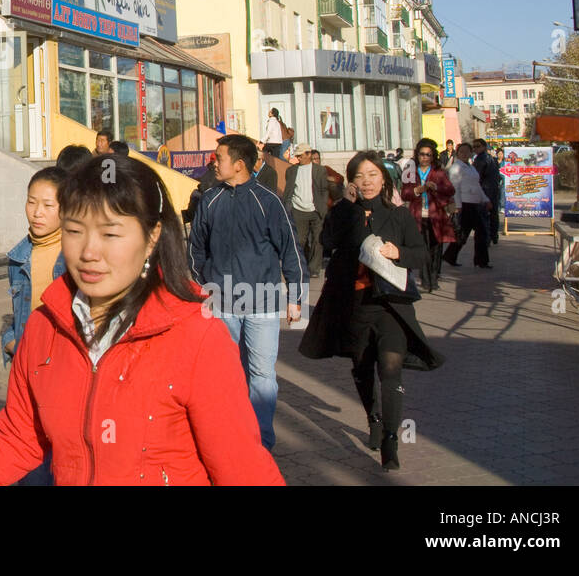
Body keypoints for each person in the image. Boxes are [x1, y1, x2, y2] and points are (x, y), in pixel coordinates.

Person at [0, 154, 282, 485]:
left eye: (111, 234)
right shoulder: (44, 328)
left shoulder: (197, 335)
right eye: (75, 230)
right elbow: (18, 441)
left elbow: (242, 469)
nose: (89, 252)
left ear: (153, 236)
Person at [301, 152, 445, 470]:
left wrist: (399, 252)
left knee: (390, 369)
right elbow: (325, 240)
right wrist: (344, 205)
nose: (367, 182)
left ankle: (391, 442)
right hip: (354, 306)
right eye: (360, 176)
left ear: (383, 179)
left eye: (372, 175)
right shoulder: (345, 212)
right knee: (363, 368)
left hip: (390, 305)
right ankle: (374, 419)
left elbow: (420, 254)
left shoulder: (399, 216)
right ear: (352, 182)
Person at [188, 134, 306, 450]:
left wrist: (296, 297)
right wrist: (205, 286)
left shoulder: (270, 201)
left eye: (219, 157)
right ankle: (233, 437)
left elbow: (291, 250)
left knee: (262, 374)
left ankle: (260, 442)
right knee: (227, 374)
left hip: (263, 301)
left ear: (239, 164)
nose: (213, 162)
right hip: (222, 302)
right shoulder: (209, 200)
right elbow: (195, 248)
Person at [2, 167, 66, 361]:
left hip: (65, 364)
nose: (37, 213)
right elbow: (19, 313)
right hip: (28, 363)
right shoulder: (18, 258)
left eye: (48, 205)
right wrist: (10, 342)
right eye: (31, 202)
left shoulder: (77, 255)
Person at [399, 138, 455, 293]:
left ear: (433, 156)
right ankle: (426, 280)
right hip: (418, 216)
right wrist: (419, 189)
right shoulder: (410, 172)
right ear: (417, 155)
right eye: (422, 154)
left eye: (428, 155)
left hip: (436, 216)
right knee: (422, 248)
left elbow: (450, 190)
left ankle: (434, 277)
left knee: (436, 249)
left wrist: (436, 187)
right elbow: (404, 194)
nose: (425, 157)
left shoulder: (439, 172)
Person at [284, 146, 330, 279]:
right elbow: (289, 189)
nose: (298, 158)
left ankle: (314, 268)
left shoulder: (320, 170)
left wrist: (323, 207)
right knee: (300, 240)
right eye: (297, 156)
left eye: (300, 155)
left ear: (308, 154)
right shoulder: (291, 170)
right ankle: (300, 266)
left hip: (316, 210)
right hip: (298, 210)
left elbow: (324, 189)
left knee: (317, 240)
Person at [444, 143, 492, 268]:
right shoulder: (456, 168)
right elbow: (455, 188)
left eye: (467, 152)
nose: (464, 154)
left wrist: (485, 200)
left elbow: (477, 186)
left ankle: (479, 260)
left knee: (475, 233)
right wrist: (458, 206)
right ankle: (452, 256)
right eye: (462, 152)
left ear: (471, 153)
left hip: (475, 203)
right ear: (457, 153)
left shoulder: (471, 167)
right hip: (465, 204)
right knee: (466, 233)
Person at [472, 139, 502, 245]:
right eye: (474, 146)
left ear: (484, 147)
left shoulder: (480, 159)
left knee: (484, 215)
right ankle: (494, 235)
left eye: (478, 146)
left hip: (485, 190)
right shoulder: (492, 159)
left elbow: (477, 176)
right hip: (494, 189)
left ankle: (487, 237)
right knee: (493, 213)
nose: (475, 148)